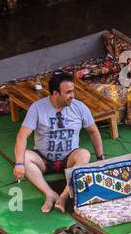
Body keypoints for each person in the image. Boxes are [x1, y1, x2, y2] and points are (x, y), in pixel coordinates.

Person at [12, 72, 105, 214]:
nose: (72, 95)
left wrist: (100, 158)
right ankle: (49, 193)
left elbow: (93, 131)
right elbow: (22, 136)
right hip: (43, 158)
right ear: (55, 93)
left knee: (84, 154)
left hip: (69, 158)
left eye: (73, 91)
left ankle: (63, 196)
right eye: (68, 92)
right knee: (24, 157)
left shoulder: (79, 107)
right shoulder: (37, 108)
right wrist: (19, 164)